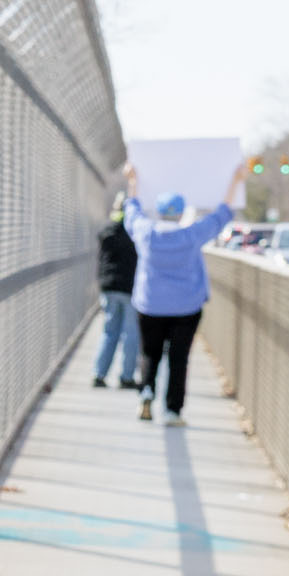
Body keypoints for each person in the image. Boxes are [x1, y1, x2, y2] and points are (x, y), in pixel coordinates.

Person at [123, 179, 240, 426]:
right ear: (180, 213)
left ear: (159, 211)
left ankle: (146, 392)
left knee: (149, 353)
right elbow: (221, 215)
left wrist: (133, 181)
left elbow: (131, 211)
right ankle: (172, 411)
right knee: (178, 359)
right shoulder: (191, 235)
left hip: (150, 305)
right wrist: (236, 179)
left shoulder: (146, 233)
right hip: (186, 307)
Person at [93, 196, 142, 387]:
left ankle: (99, 374)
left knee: (109, 331)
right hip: (130, 288)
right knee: (131, 334)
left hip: (109, 287)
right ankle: (127, 377)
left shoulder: (107, 231)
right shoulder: (135, 232)